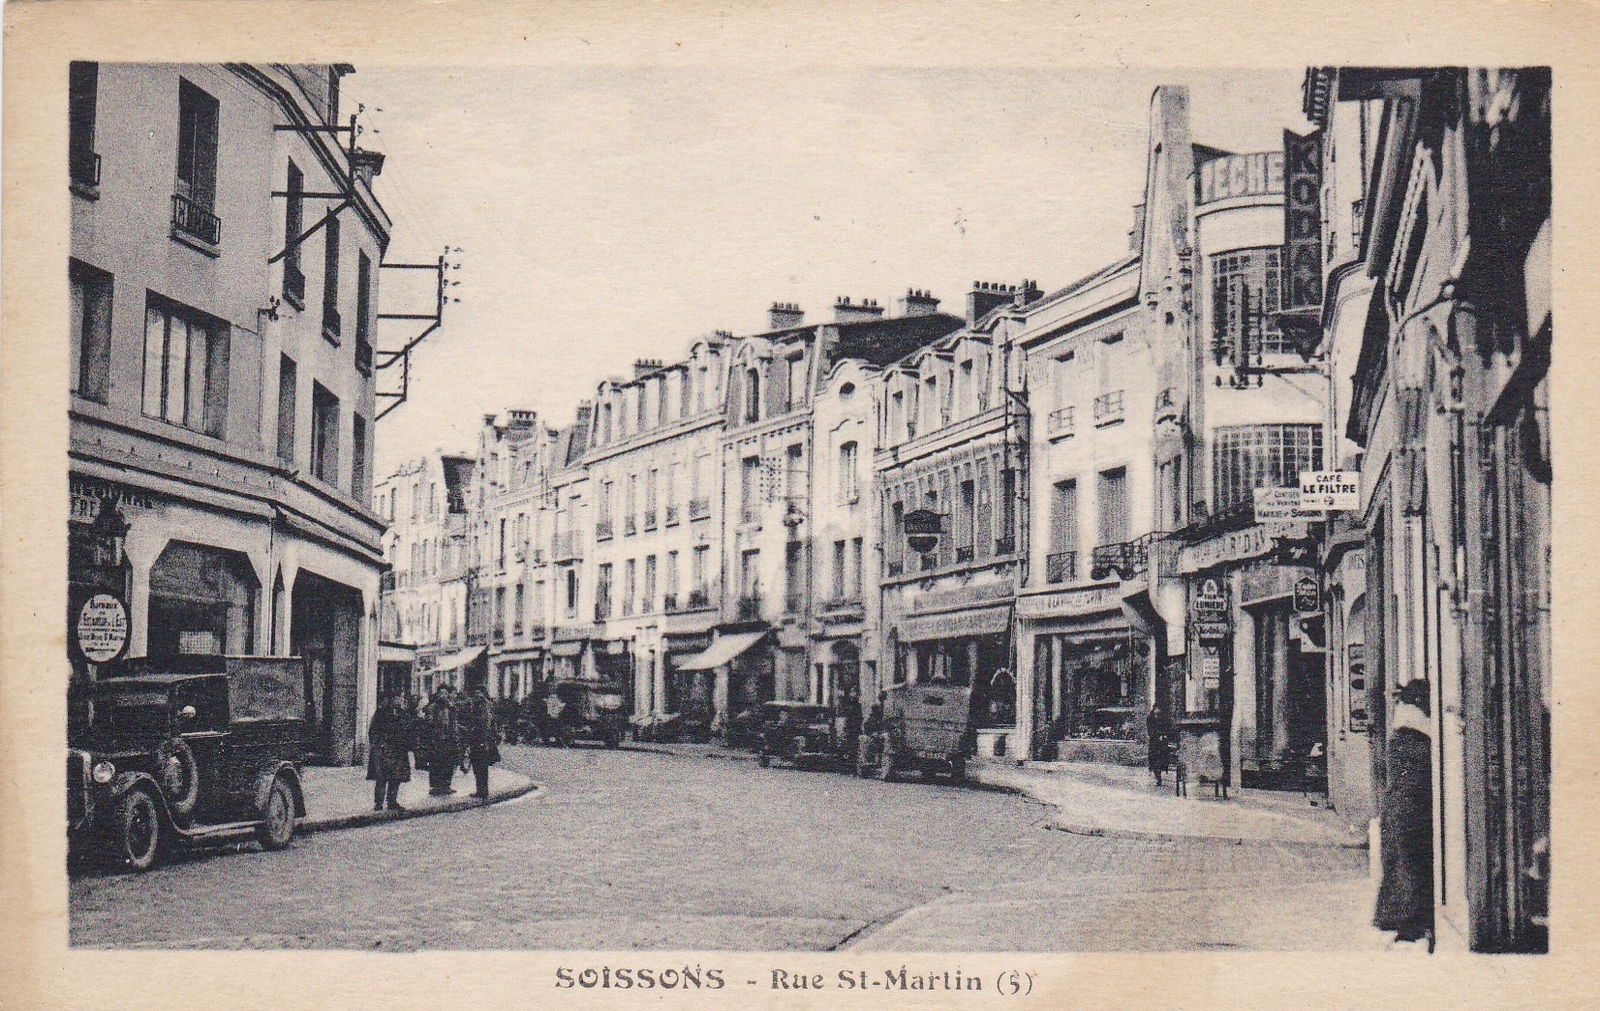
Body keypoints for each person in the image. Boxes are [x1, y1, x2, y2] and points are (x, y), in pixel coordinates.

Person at [1375, 679, 1435, 948]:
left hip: (1399, 806)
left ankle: (1402, 921)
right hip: (1412, 808)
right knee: (1412, 864)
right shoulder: (1417, 735)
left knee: (1402, 862)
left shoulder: (1402, 731)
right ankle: (1411, 924)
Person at [365, 694, 413, 811]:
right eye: (396, 698)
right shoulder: (381, 713)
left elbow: (408, 729)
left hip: (399, 749)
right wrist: (378, 744)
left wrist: (407, 743)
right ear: (391, 699)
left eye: (400, 698)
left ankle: (392, 801)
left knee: (396, 778)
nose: (399, 700)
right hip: (384, 749)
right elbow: (373, 730)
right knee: (381, 777)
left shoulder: (403, 714)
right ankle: (379, 803)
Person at [423, 685, 461, 796]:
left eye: (445, 693)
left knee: (449, 763)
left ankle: (446, 785)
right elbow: (428, 722)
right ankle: (436, 787)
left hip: (449, 739)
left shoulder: (451, 706)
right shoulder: (433, 707)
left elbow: (454, 722)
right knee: (436, 763)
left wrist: (455, 735)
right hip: (437, 740)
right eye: (441, 693)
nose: (443, 696)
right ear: (438, 694)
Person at [465, 688, 501, 800]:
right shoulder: (475, 706)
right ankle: (480, 790)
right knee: (477, 765)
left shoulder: (485, 707)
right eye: (476, 693)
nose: (477, 695)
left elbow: (486, 724)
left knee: (481, 766)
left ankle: (482, 791)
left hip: (481, 739)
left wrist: (485, 740)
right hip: (475, 739)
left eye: (479, 693)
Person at [1146, 704, 1174, 788]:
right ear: (1154, 709)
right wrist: (1156, 736)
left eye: (1159, 709)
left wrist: (1164, 735)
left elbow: (1167, 728)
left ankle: (1160, 775)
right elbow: (1149, 729)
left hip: (1162, 743)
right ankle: (1158, 777)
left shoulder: (1163, 719)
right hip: (1154, 742)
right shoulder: (1150, 718)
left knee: (1161, 760)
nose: (1157, 710)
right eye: (1156, 709)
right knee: (1154, 760)